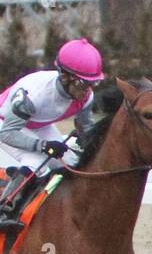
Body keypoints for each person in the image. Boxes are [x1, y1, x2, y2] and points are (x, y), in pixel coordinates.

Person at [0, 38, 103, 233]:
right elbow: (8, 134)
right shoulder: (35, 93)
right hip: (6, 124)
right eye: (83, 83)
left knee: (72, 163)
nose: (88, 90)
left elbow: (85, 128)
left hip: (37, 124)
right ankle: (5, 210)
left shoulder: (86, 96)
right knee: (37, 162)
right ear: (65, 76)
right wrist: (43, 146)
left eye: (94, 83)